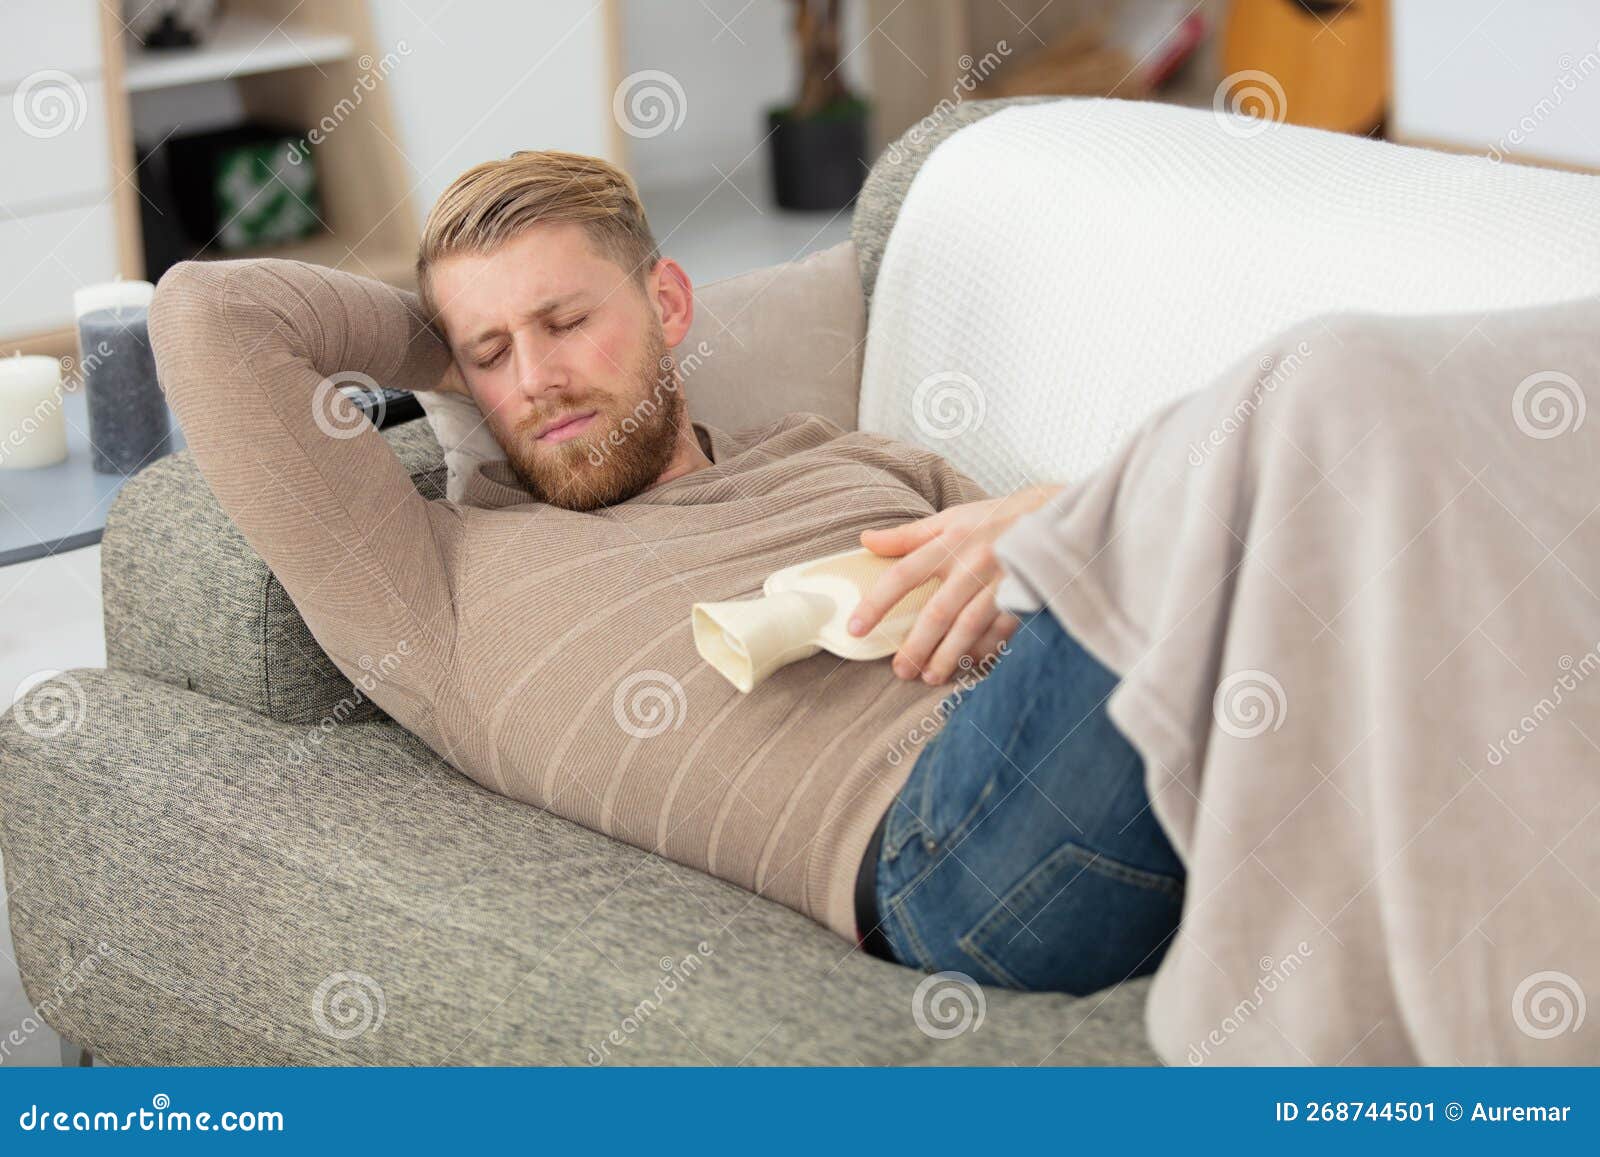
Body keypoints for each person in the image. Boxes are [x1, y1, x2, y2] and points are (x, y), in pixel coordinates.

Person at [148, 150, 1181, 998]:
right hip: (947, 855)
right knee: (1309, 393)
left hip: (1102, 724)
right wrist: (440, 332)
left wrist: (1057, 515)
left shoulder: (854, 460)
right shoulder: (437, 587)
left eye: (564, 322)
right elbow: (209, 314)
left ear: (669, 304)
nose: (538, 381)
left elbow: (1090, 581)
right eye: (490, 354)